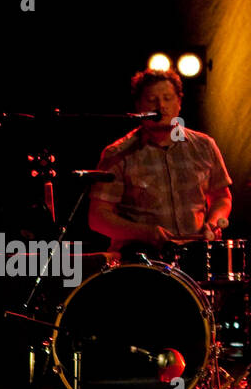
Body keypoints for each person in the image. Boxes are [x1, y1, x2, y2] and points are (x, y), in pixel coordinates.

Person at [89, 68, 233, 253]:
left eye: (167, 98)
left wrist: (213, 223)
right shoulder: (118, 153)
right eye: (151, 100)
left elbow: (222, 197)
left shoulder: (204, 146)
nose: (161, 106)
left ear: (179, 102)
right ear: (139, 106)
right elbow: (98, 217)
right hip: (139, 260)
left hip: (194, 257)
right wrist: (144, 233)